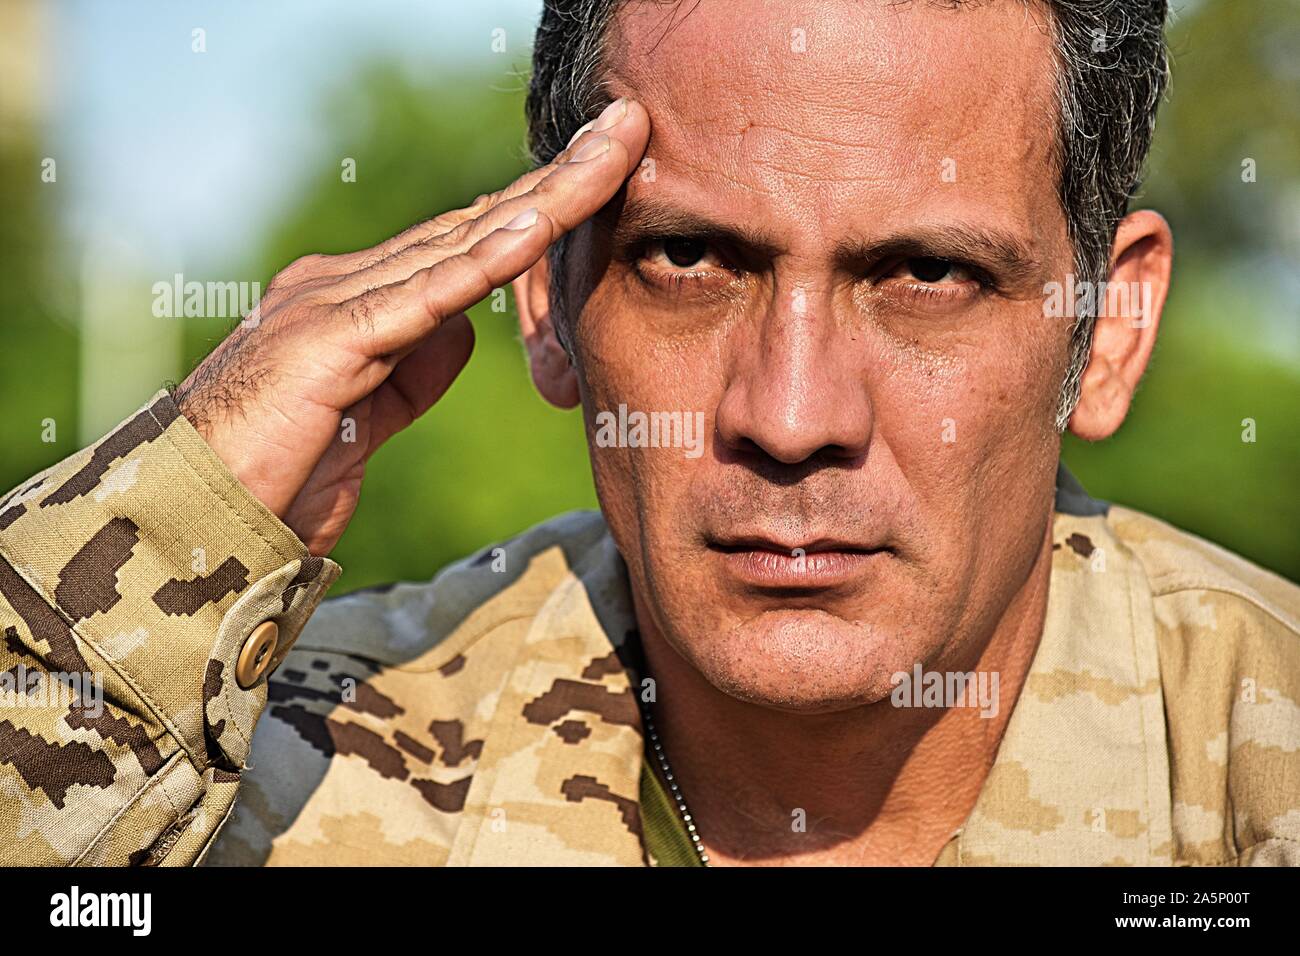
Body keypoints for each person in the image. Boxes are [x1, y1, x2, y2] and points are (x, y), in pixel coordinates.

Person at [2, 0, 1297, 867]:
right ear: (545, 299)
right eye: (688, 258)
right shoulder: (300, 769)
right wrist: (186, 497)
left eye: (929, 278)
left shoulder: (1262, 761)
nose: (792, 420)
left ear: (1106, 330)